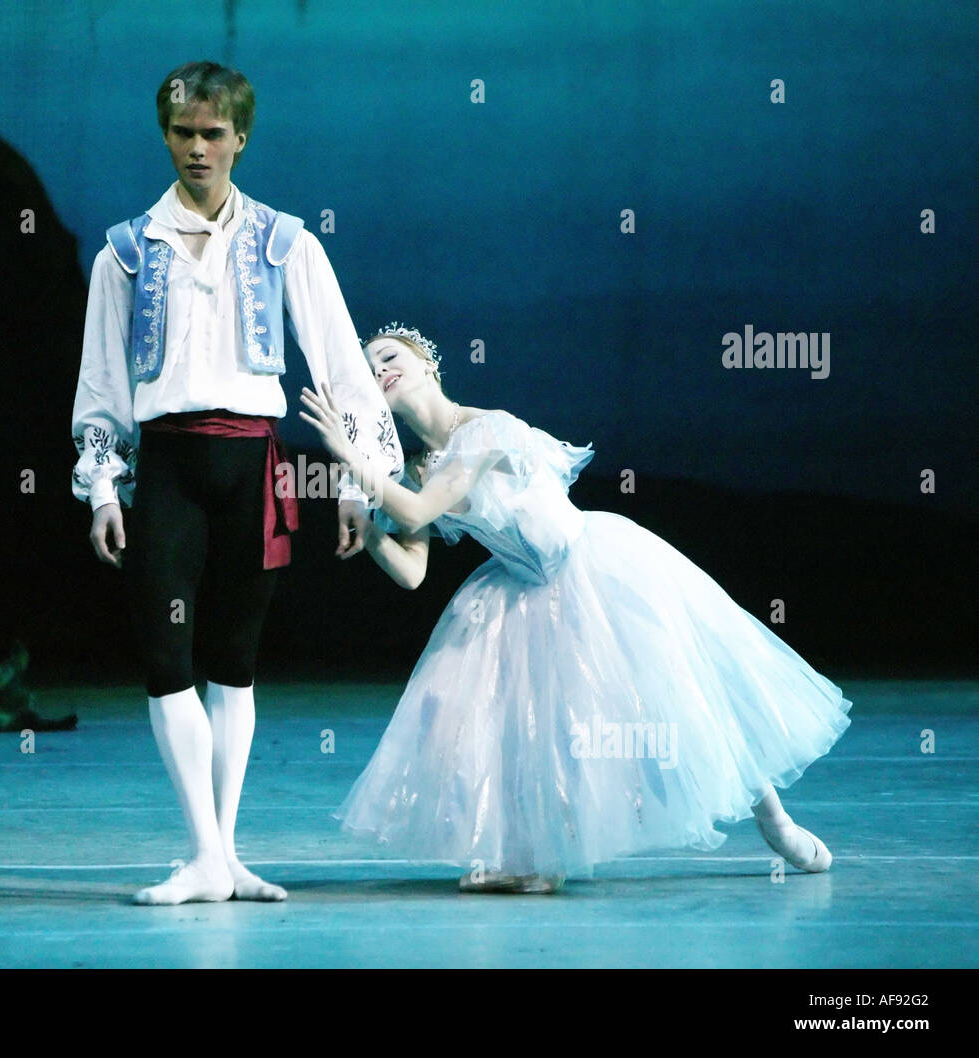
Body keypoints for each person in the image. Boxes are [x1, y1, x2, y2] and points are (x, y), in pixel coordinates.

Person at [298, 323, 851, 893]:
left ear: (427, 366)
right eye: (366, 371)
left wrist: (347, 457)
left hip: (592, 571)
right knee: (529, 727)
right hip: (519, 594)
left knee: (683, 693)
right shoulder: (414, 469)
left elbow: (417, 512)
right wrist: (368, 529)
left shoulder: (488, 429)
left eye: (388, 357)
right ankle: (537, 861)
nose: (378, 370)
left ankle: (776, 821)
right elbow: (413, 570)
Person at [71, 62, 402, 905]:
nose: (197, 148)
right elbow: (102, 386)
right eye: (183, 132)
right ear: (166, 136)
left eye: (213, 133)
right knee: (165, 660)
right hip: (170, 472)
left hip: (254, 467)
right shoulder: (125, 251)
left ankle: (225, 855)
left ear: (240, 139)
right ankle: (205, 856)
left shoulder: (286, 243)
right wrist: (105, 488)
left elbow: (340, 368)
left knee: (235, 666)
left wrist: (359, 484)